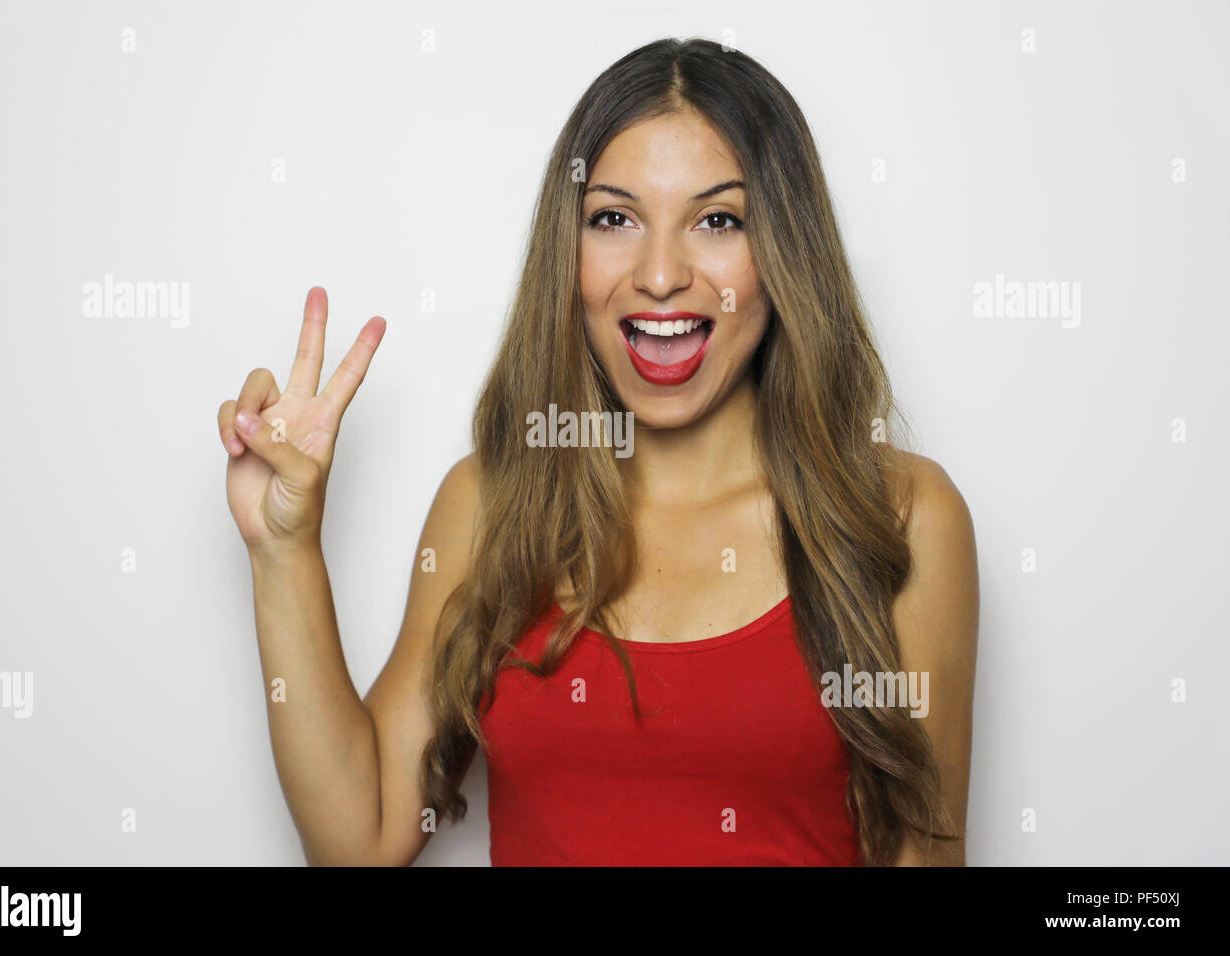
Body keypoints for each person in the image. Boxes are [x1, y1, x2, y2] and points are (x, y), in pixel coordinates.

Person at [216, 37, 979, 866]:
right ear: (567, 253)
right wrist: (282, 549)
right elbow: (358, 842)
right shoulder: (490, 502)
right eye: (614, 219)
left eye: (718, 220)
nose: (660, 275)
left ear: (786, 253)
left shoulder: (900, 516)